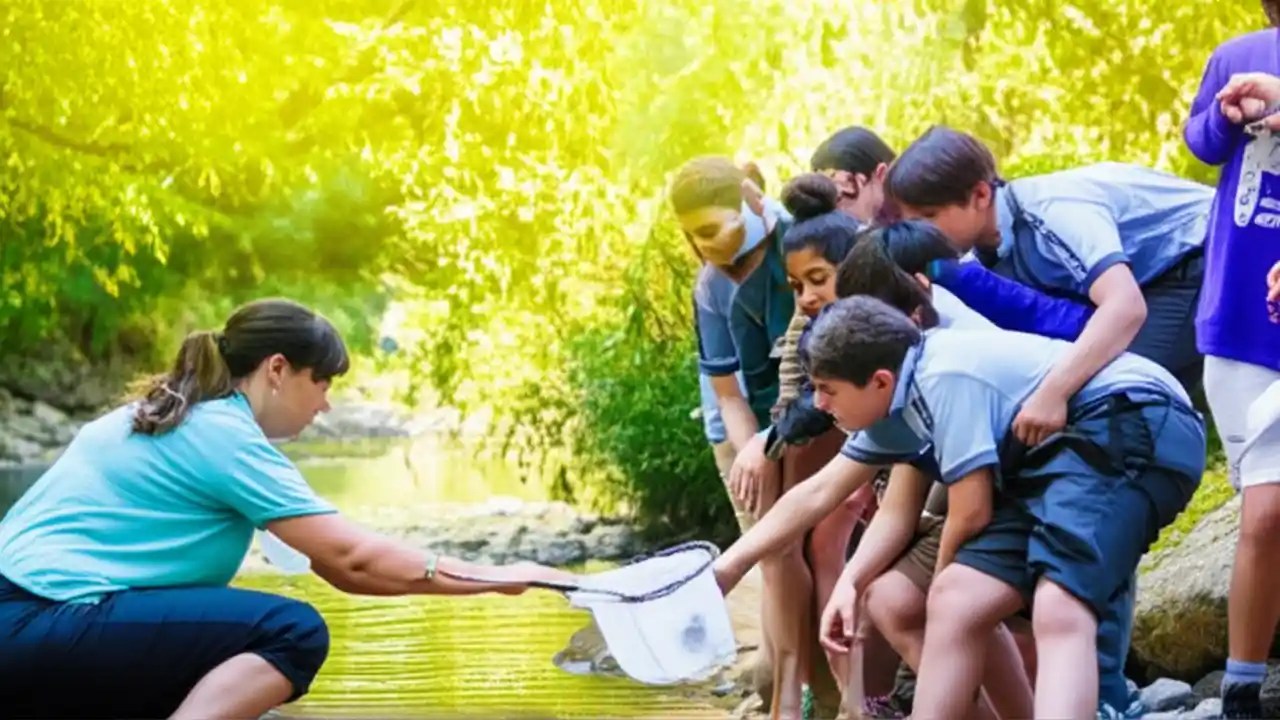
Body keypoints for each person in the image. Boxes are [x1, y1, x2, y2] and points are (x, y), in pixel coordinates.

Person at [0, 299, 573, 720]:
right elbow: (354, 559)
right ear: (277, 369)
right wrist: (500, 575)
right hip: (35, 620)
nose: (325, 404)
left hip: (32, 621)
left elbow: (335, 567)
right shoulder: (223, 432)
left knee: (225, 667)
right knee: (290, 634)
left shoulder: (186, 412)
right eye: (320, 381)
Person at [885, 126, 1212, 714]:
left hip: (1198, 264)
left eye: (931, 214)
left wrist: (1056, 392)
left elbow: (1124, 307)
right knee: (1087, 485)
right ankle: (1098, 681)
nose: (925, 233)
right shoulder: (988, 254)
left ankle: (1106, 692)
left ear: (980, 195)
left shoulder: (1051, 210)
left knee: (1107, 452)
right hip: (1151, 287)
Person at [793, 294, 1204, 719]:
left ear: (879, 380)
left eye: (826, 390)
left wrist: (927, 584)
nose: (820, 405)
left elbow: (971, 512)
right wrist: (737, 572)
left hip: (1133, 414)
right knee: (957, 599)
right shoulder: (898, 403)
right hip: (1049, 458)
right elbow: (816, 493)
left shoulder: (942, 375)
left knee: (1058, 601)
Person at [669, 156, 807, 717]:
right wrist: (756, 450)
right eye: (692, 236)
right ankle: (776, 691)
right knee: (773, 550)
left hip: (809, 411)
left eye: (712, 230)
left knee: (813, 549)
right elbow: (728, 394)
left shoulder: (800, 240)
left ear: (750, 199)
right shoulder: (710, 287)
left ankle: (796, 682)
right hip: (741, 425)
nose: (705, 246)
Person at [1184, 7, 1280, 713]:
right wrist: (1224, 117)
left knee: (1268, 507)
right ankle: (1242, 686)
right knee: (1262, 503)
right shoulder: (1239, 53)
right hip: (1239, 309)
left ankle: (1244, 683)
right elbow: (1202, 143)